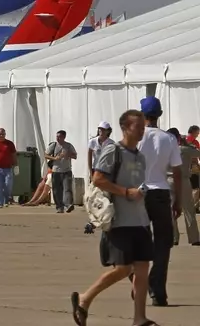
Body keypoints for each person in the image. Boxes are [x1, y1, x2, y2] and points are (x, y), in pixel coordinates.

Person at [70, 109, 153, 326]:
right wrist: (126, 192)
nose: (143, 129)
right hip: (120, 221)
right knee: (123, 269)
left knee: (143, 270)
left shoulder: (140, 156)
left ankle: (139, 319)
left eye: (143, 126)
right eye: (138, 126)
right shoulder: (112, 150)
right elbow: (98, 179)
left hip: (141, 221)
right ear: (125, 128)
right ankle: (84, 299)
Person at [136, 96, 183, 307]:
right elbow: (178, 172)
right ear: (159, 115)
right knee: (163, 242)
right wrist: (178, 200)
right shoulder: (169, 139)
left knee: (139, 240)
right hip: (161, 193)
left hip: (139, 193)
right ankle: (158, 290)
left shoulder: (136, 137)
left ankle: (139, 282)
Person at [47, 129, 79, 213]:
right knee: (57, 190)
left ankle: (68, 204)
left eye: (60, 136)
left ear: (64, 137)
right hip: (56, 170)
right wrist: (54, 158)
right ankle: (59, 206)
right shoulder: (53, 145)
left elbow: (75, 156)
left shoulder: (68, 146)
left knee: (67, 188)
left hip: (66, 170)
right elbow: (46, 155)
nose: (58, 138)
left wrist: (68, 154)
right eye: (57, 136)